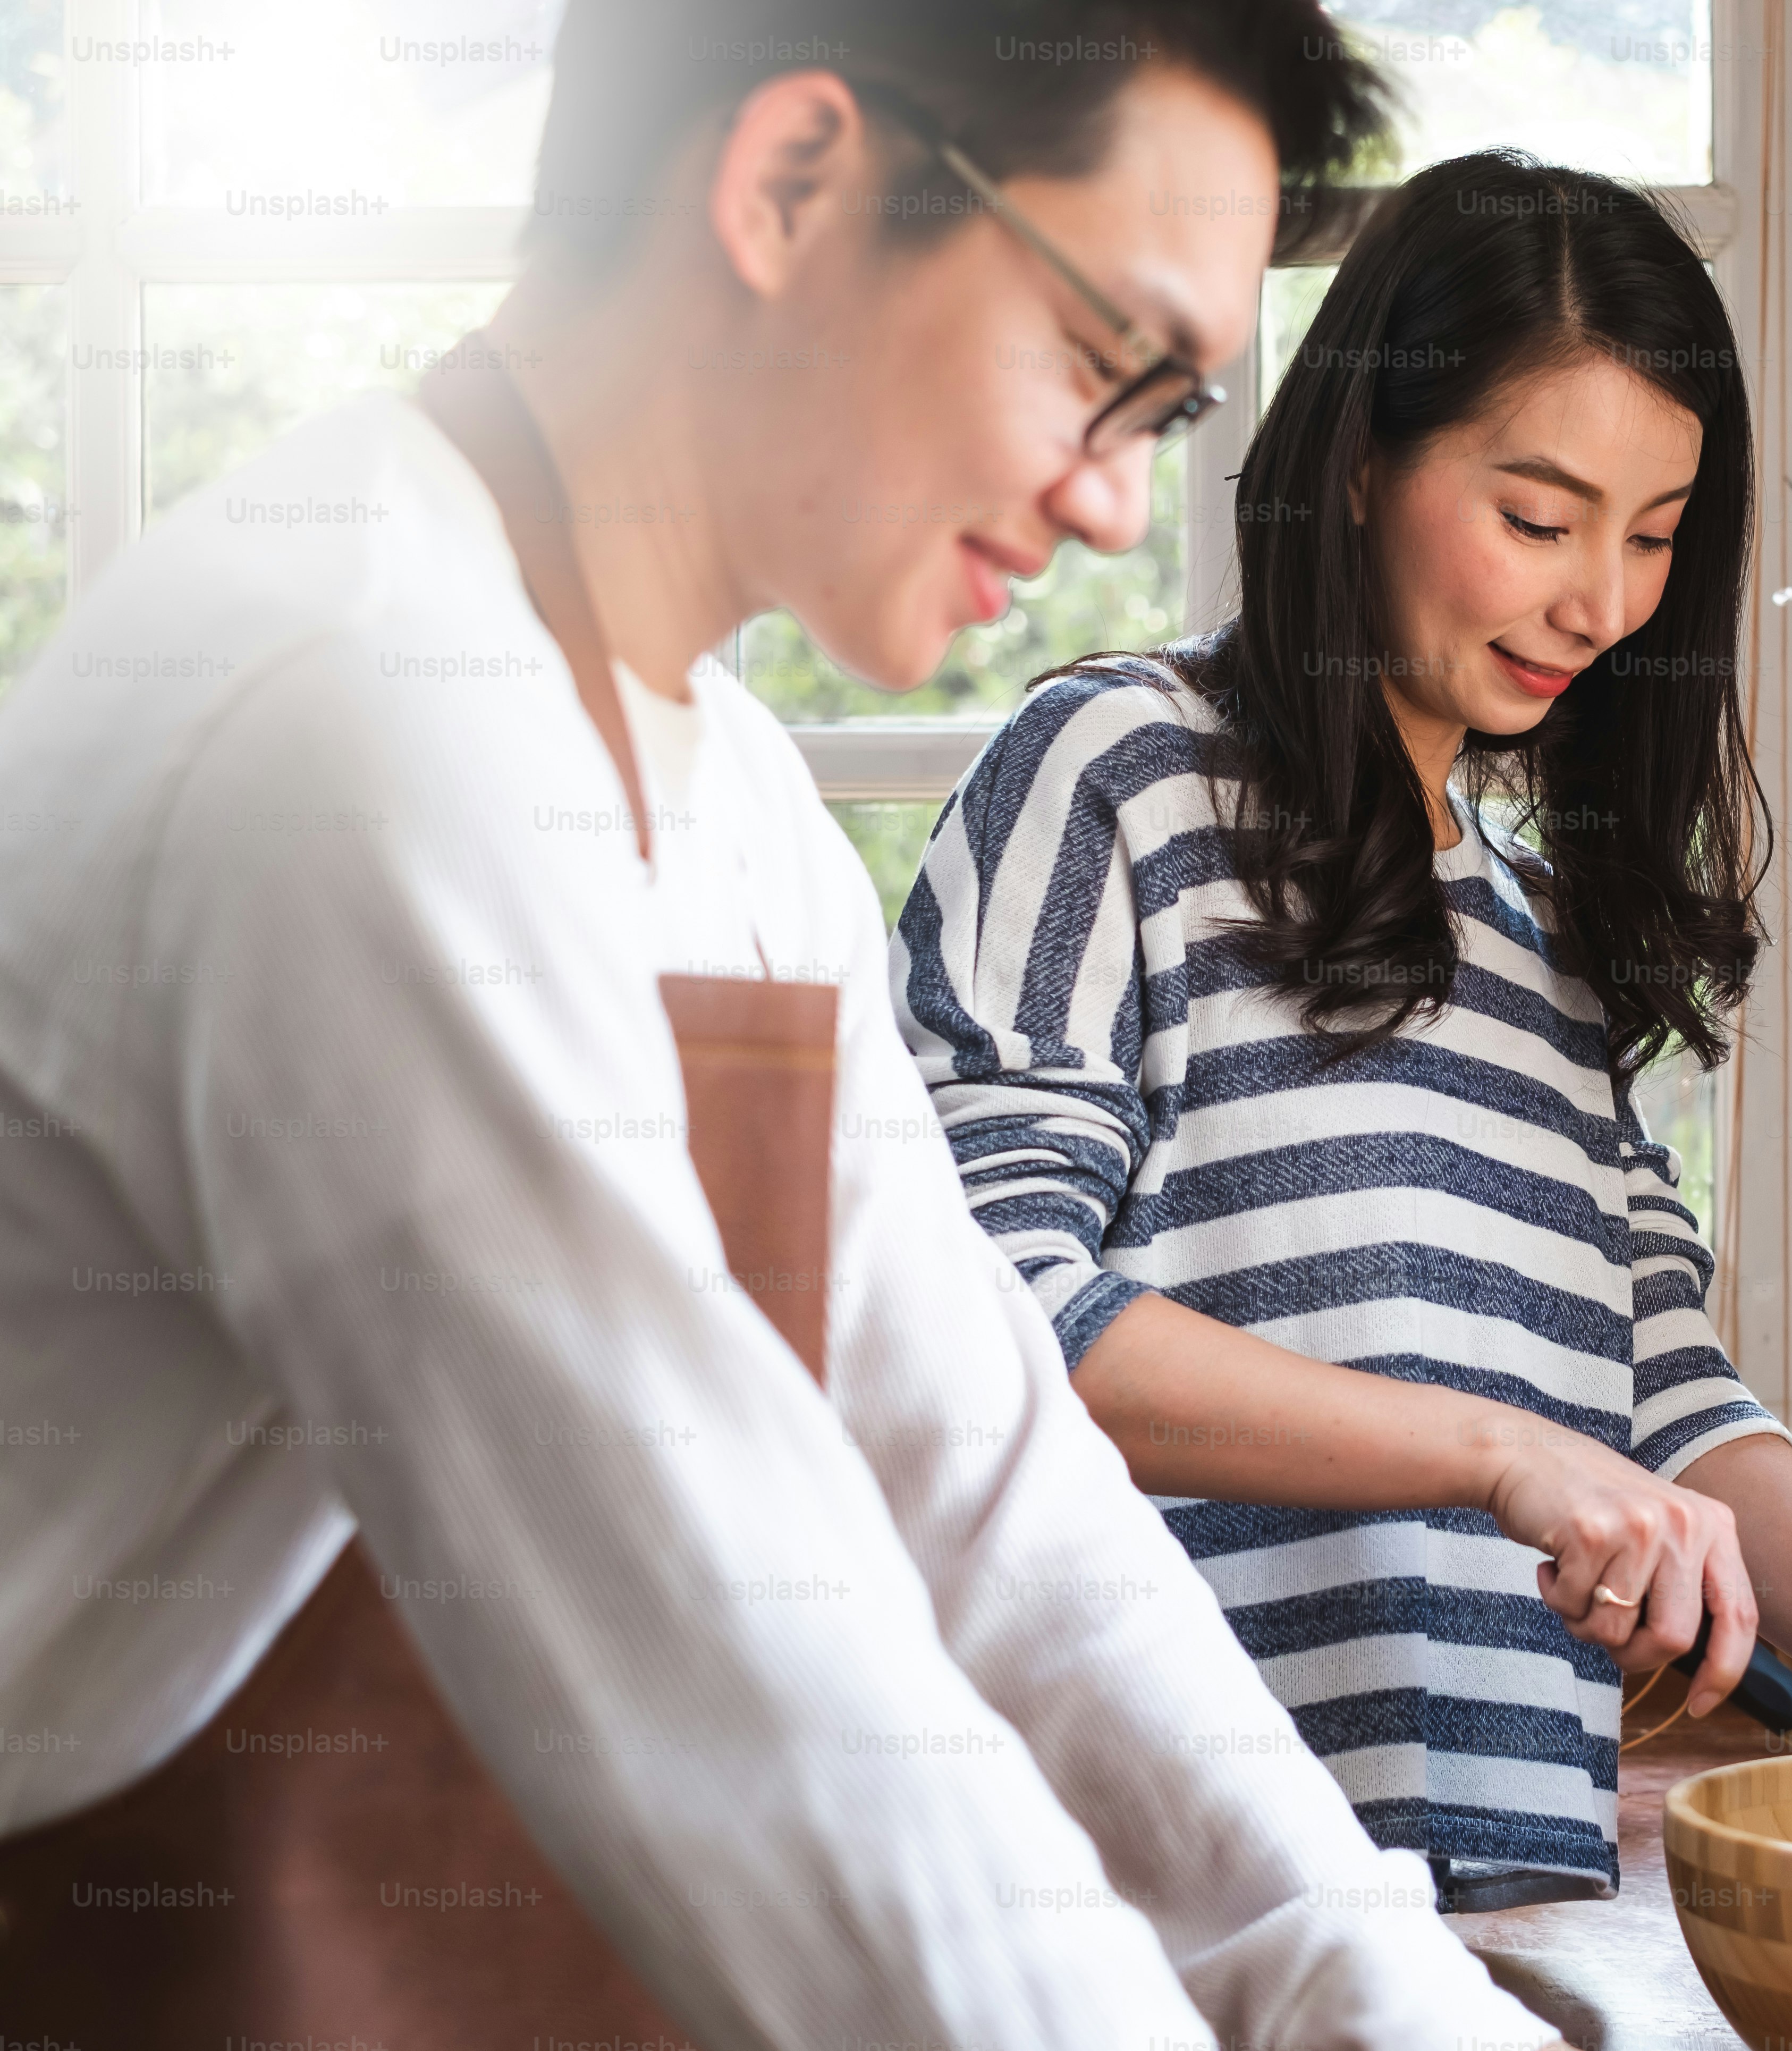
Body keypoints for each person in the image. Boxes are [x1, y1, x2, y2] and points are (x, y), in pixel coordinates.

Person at [0, 6, 1561, 2047]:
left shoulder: (727, 787)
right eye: (1109, 363)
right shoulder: (356, 714)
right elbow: (736, 1673)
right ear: (791, 182)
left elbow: (994, 1496)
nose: (1112, 507)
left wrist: (1383, 1995)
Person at [894, 151, 1792, 1911]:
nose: (1601, 603)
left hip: (1500, 1887)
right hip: (1136, 1907)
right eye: (1538, 515)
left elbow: (1660, 1384)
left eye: (1653, 536)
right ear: (1359, 464)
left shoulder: (1538, 937)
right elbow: (980, 1317)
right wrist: (1497, 1447)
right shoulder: (1114, 776)